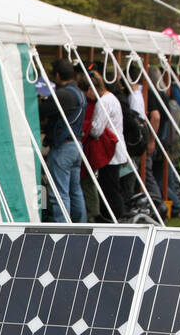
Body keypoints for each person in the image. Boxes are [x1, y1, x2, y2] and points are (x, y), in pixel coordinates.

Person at [39, 57, 87, 223]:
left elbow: (41, 111)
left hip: (63, 147)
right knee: (75, 190)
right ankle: (81, 224)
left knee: (60, 194)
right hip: (76, 145)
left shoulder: (63, 95)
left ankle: (63, 227)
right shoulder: (80, 93)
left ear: (58, 76)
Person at [83, 70, 124, 221]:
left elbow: (97, 129)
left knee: (110, 189)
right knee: (112, 186)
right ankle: (116, 216)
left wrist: (87, 127)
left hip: (109, 151)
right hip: (115, 148)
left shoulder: (103, 102)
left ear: (91, 89)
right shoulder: (111, 98)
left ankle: (115, 217)